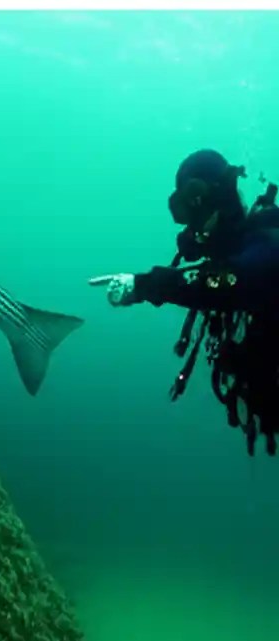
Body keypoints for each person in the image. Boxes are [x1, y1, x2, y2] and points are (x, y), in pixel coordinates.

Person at [89, 149, 279, 455]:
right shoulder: (238, 251)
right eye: (186, 213)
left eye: (197, 206)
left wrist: (145, 285)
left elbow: (235, 281)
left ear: (222, 195)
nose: (195, 227)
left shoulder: (269, 236)